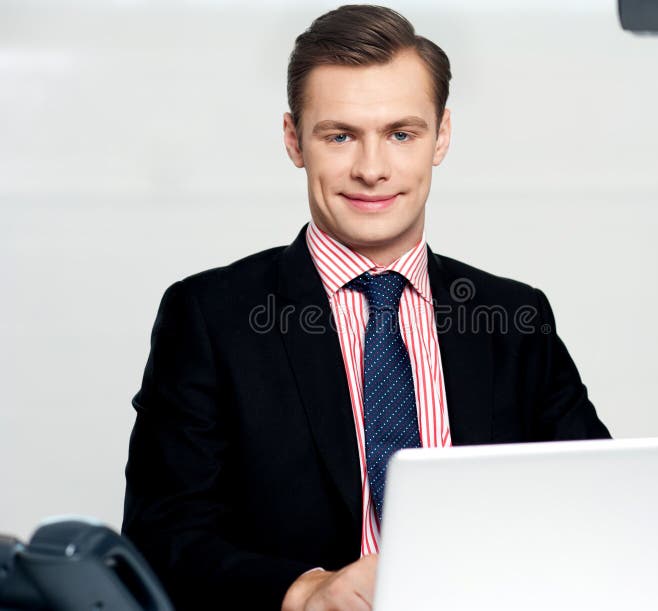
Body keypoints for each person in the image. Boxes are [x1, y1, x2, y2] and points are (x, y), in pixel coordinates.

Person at [121, 5, 611, 611]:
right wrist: (305, 592)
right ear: (294, 140)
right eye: (340, 135)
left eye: (401, 134)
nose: (372, 170)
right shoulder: (209, 316)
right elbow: (161, 536)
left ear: (443, 137)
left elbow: (598, 505)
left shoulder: (516, 318)